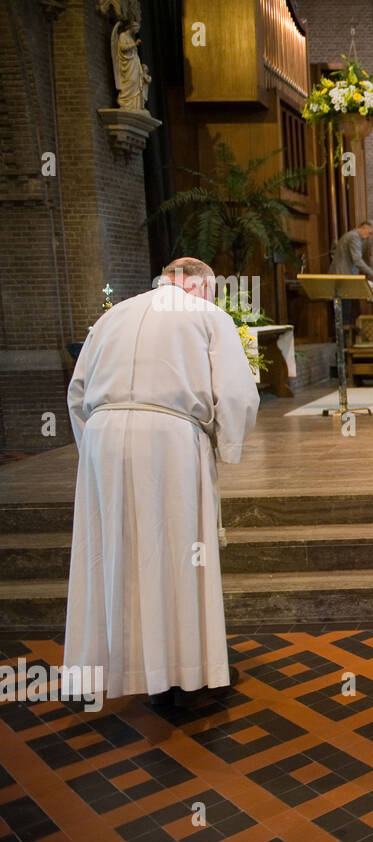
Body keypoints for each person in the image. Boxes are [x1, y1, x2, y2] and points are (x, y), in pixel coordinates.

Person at [63, 258, 260, 705]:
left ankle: (116, 666)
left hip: (102, 435)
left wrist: (92, 450)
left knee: (112, 553)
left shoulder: (111, 316)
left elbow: (77, 393)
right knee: (177, 553)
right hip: (169, 438)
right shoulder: (207, 315)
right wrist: (227, 446)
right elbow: (234, 392)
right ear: (202, 286)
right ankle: (184, 675)